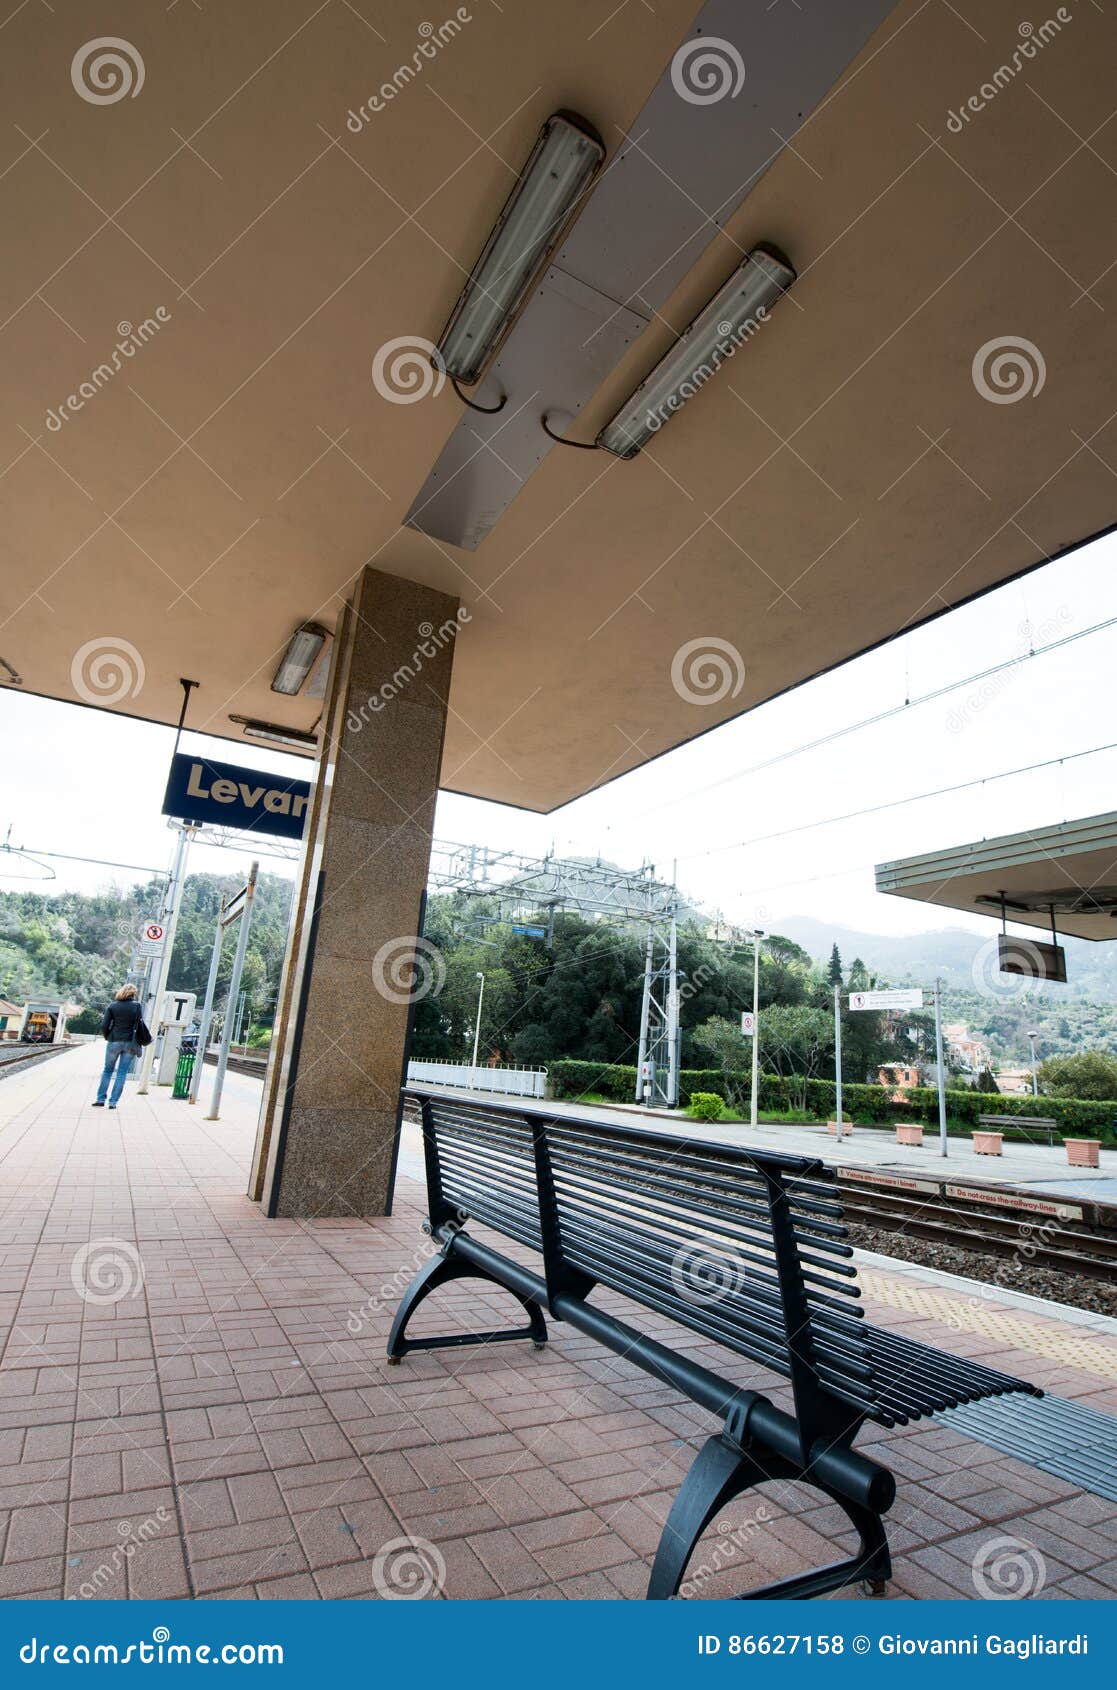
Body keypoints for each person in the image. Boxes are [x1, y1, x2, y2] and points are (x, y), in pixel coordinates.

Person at [94, 985, 145, 1109]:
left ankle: (100, 1099)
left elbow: (104, 1025)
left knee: (107, 1071)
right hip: (130, 1042)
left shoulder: (113, 1006)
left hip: (114, 1040)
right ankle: (113, 1102)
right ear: (133, 994)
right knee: (122, 1073)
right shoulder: (137, 1006)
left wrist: (108, 1036)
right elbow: (139, 1024)